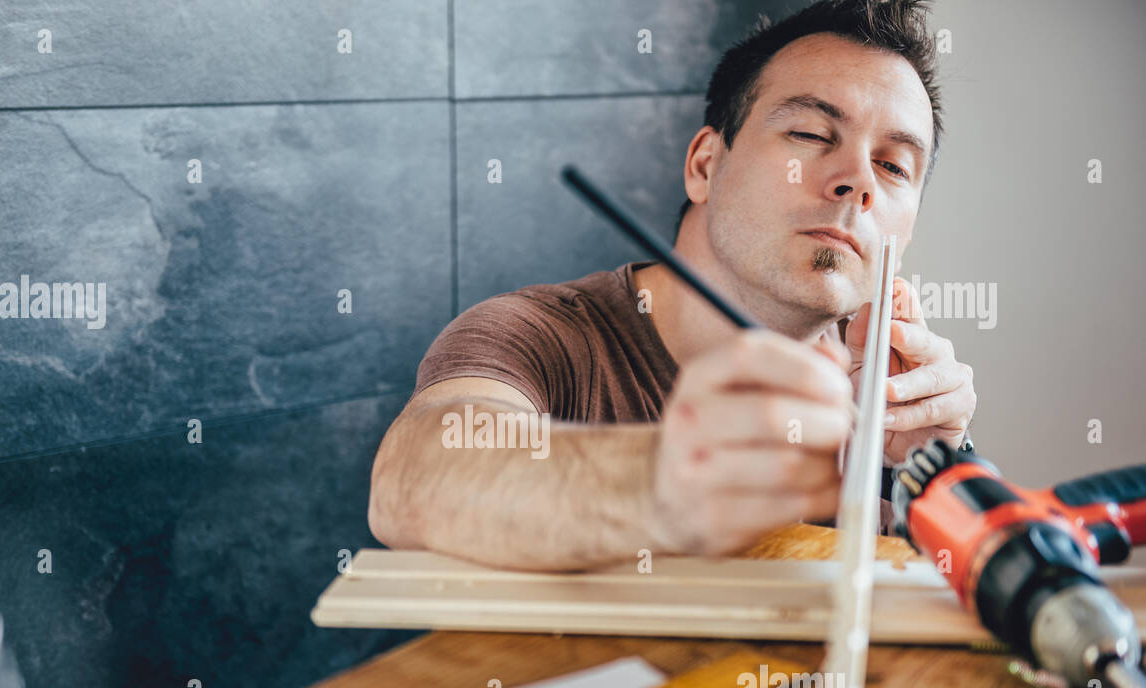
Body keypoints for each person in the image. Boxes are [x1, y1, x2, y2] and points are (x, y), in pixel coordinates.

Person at [369, 0, 975, 571]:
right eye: (812, 136)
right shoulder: (539, 335)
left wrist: (942, 470)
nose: (858, 182)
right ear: (705, 165)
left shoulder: (887, 382)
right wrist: (665, 481)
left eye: (894, 166)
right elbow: (412, 480)